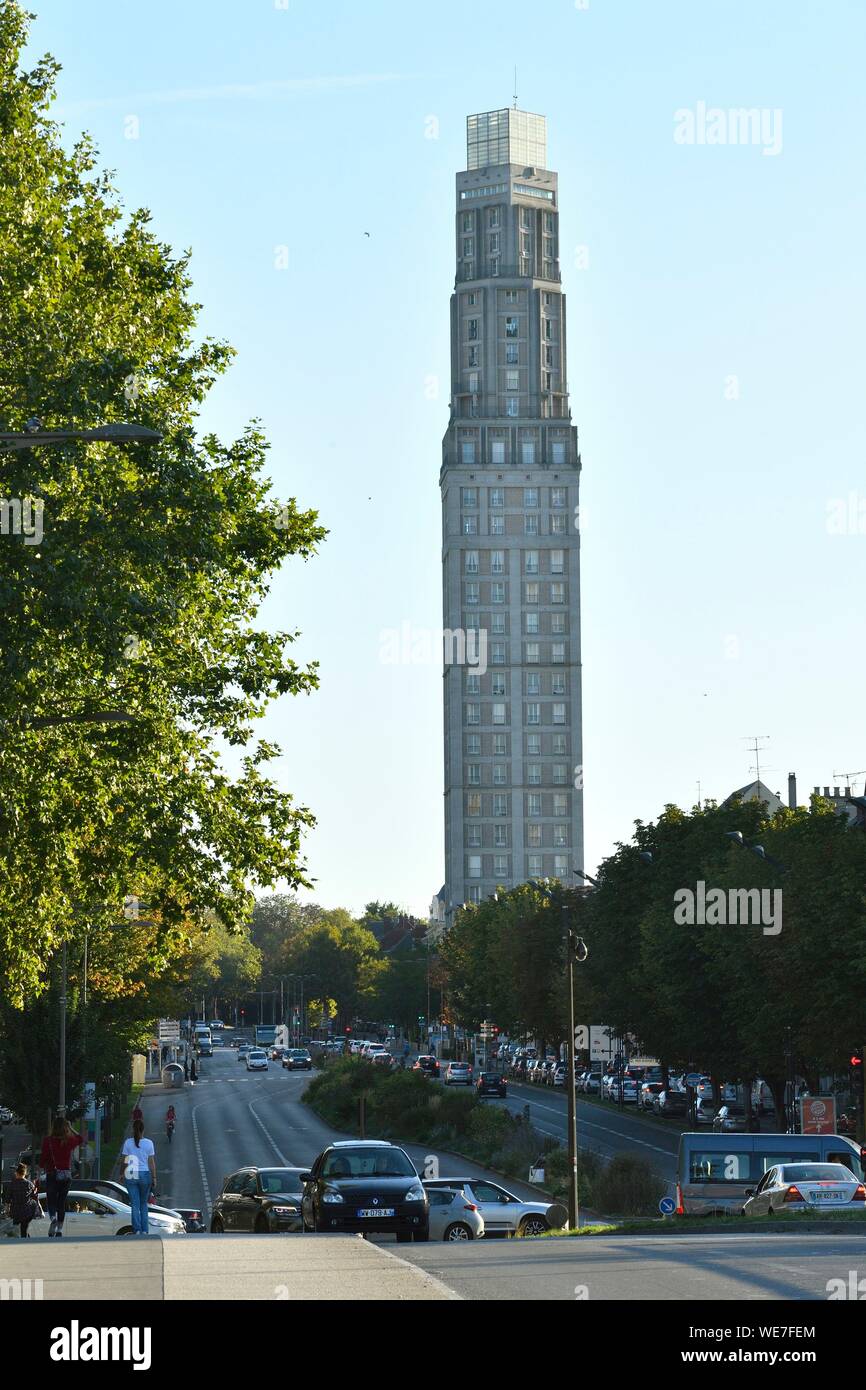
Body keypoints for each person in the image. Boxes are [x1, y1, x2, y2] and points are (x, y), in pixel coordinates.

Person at [39, 1115, 82, 1238]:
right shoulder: (68, 1140)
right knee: (61, 1203)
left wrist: (41, 1166)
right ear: (65, 1127)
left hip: (52, 1174)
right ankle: (59, 1230)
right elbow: (80, 1138)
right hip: (65, 1176)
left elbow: (43, 1158)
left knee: (51, 1200)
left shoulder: (48, 1141)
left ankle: (53, 1218)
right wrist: (71, 1128)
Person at [120, 1119, 157, 1234]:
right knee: (143, 1204)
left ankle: (137, 1230)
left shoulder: (128, 1143)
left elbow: (125, 1161)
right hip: (144, 1174)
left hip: (131, 1174)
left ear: (133, 1129)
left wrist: (121, 1173)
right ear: (143, 1130)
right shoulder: (149, 1143)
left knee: (134, 1204)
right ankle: (145, 1230)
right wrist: (154, 1177)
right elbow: (151, 1162)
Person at [9, 1162, 40, 1238]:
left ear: (16, 1173)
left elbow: (7, 1198)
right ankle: (24, 1239)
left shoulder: (12, 1184)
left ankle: (20, 1238)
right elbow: (34, 1196)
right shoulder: (29, 1184)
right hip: (26, 1211)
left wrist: (7, 1209)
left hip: (15, 1211)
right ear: (25, 1173)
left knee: (17, 1229)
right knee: (24, 1229)